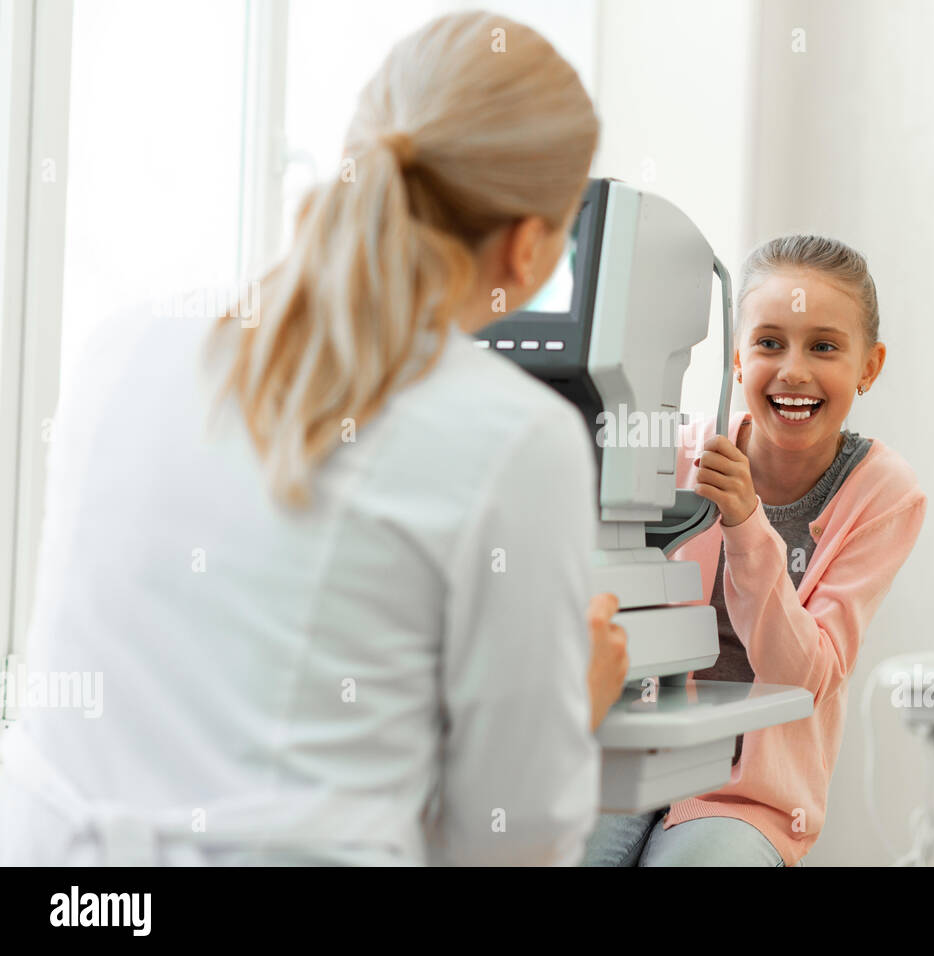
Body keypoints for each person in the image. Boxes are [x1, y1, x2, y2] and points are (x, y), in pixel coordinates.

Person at [0, 11, 627, 866]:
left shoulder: (123, 343)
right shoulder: (518, 438)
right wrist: (568, 710)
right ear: (525, 249)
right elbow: (509, 845)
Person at [581, 235, 927, 866]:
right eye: (769, 343)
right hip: (628, 756)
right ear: (737, 359)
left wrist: (746, 525)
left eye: (824, 346)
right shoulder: (678, 451)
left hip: (750, 797)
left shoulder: (883, 493)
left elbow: (804, 675)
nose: (793, 370)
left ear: (869, 366)